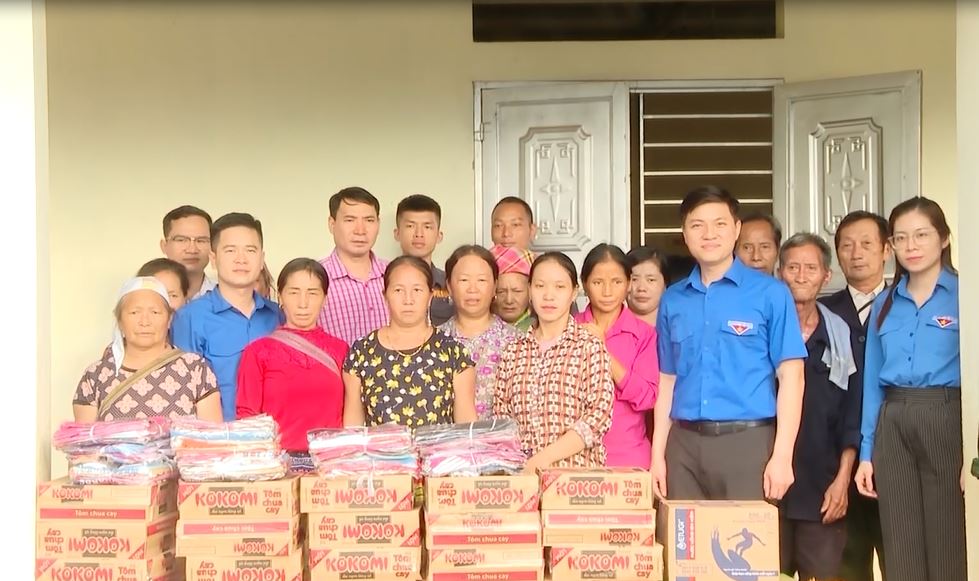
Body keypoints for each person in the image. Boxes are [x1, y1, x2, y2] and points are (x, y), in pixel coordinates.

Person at [652, 186, 806, 501]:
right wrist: (657, 457)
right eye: (697, 225)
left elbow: (791, 377)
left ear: (736, 229)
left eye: (720, 224)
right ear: (685, 233)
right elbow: (667, 381)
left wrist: (782, 455)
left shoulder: (770, 294)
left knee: (743, 547)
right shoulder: (672, 299)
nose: (709, 234)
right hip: (683, 446)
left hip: (746, 443)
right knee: (686, 548)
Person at [854, 197, 965, 581]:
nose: (911, 246)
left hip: (948, 416)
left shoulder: (967, 296)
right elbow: (871, 384)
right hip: (894, 420)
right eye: (901, 238)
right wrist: (866, 453)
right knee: (899, 542)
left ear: (944, 239)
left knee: (949, 538)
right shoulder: (885, 303)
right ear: (892, 246)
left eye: (921, 235)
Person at [778, 233, 861, 581]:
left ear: (826, 276)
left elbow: (851, 414)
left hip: (822, 489)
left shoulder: (840, 333)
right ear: (779, 272)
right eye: (792, 267)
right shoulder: (762, 331)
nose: (801, 275)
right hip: (770, 488)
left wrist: (842, 481)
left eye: (810, 268)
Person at [819, 210, 890, 581]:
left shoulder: (902, 305)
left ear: (886, 250)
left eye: (866, 244)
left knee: (901, 558)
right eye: (846, 245)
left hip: (894, 453)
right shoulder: (822, 312)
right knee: (846, 566)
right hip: (837, 460)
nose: (856, 253)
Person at [495, 252, 614, 470]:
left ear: (573, 292)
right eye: (540, 286)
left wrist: (542, 460)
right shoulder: (513, 351)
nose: (549, 296)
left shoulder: (589, 346)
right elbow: (502, 418)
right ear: (530, 290)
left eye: (559, 287)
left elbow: (598, 416)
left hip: (576, 482)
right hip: (522, 480)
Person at [342, 256, 477, 428]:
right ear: (385, 296)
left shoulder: (453, 352)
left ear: (430, 296)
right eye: (398, 290)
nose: (408, 300)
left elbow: (466, 424)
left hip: (438, 454)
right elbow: (353, 424)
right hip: (380, 454)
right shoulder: (362, 352)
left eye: (417, 290)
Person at [172, 213, 282, 421]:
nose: (241, 259)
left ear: (261, 259)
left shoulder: (278, 316)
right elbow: (183, 394)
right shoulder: (190, 318)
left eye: (250, 250)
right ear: (213, 259)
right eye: (230, 250)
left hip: (276, 442)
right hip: (218, 442)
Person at [237, 259, 348, 455]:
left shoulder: (341, 350)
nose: (303, 303)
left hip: (331, 462)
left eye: (312, 293)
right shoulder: (258, 352)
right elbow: (247, 418)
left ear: (325, 298)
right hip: (279, 463)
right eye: (294, 292)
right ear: (280, 296)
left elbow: (351, 415)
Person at [73, 277, 222, 422]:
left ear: (169, 319)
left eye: (155, 312)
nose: (145, 321)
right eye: (134, 312)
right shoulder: (95, 376)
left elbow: (210, 440)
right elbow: (86, 443)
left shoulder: (195, 369)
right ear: (119, 320)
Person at [574, 244, 658, 469]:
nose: (608, 291)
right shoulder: (569, 329)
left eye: (617, 282)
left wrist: (602, 352)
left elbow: (648, 397)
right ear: (584, 284)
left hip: (629, 458)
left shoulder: (644, 334)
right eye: (598, 282)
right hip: (574, 458)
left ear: (629, 283)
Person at [439, 245, 521, 420]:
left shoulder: (517, 342)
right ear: (449, 286)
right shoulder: (434, 342)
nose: (472, 289)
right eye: (464, 280)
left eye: (482, 280)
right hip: (448, 444)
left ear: (494, 286)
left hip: (503, 443)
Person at [318, 187, 389, 345]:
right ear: (332, 224)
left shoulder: (395, 275)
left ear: (378, 224)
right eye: (350, 220)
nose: (360, 230)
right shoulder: (314, 278)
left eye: (369, 220)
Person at [393, 194, 454, 326]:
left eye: (427, 227)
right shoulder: (384, 282)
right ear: (397, 233)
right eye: (410, 226)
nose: (419, 234)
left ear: (439, 236)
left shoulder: (451, 284)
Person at [160, 205, 216, 299]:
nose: (192, 250)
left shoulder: (226, 297)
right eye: (181, 240)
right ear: (164, 246)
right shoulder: (143, 293)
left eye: (201, 240)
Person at [491, 244, 535, 331]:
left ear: (530, 291)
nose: (509, 300)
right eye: (501, 291)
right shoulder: (480, 326)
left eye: (517, 291)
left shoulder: (540, 327)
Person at [625, 246, 669, 327]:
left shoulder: (676, 325)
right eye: (634, 279)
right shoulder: (610, 325)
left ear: (665, 285)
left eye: (651, 280)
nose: (641, 288)